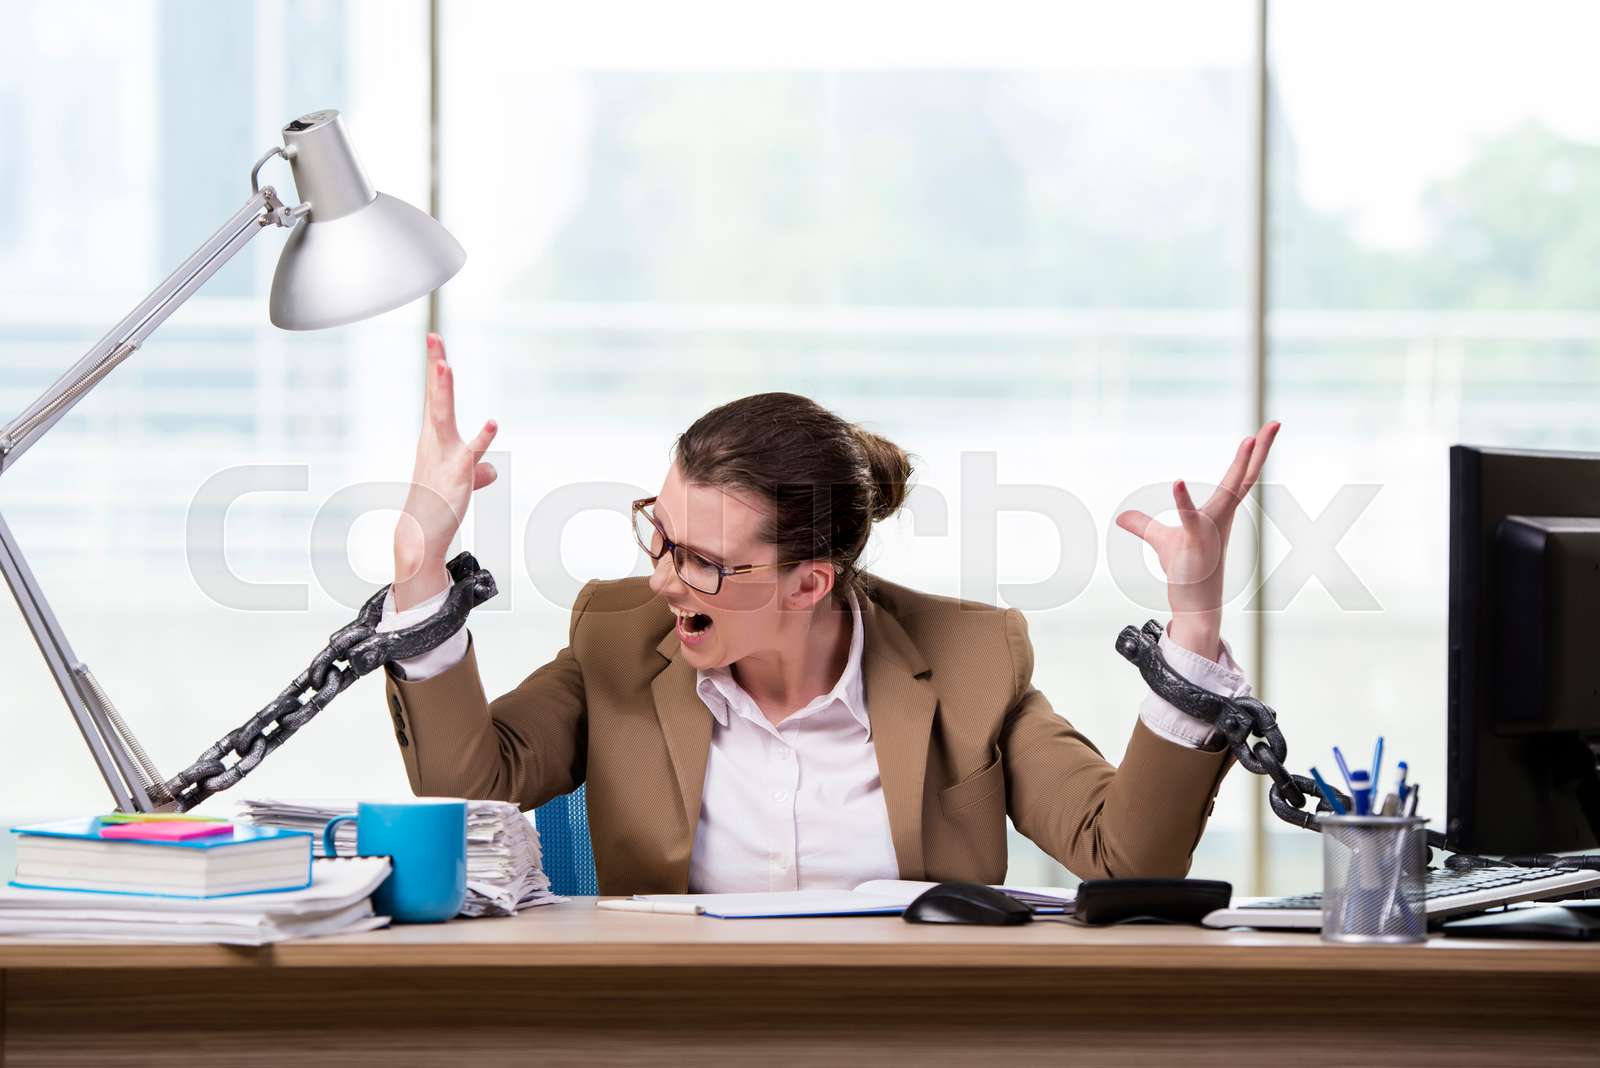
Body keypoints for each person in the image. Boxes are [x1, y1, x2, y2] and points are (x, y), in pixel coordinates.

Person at [379, 333, 1280, 895]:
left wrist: (1193, 624)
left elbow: (1127, 860)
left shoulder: (968, 662)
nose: (662, 580)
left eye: (701, 562)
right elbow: (470, 789)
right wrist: (419, 567)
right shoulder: (620, 639)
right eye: (659, 534)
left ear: (810, 583)